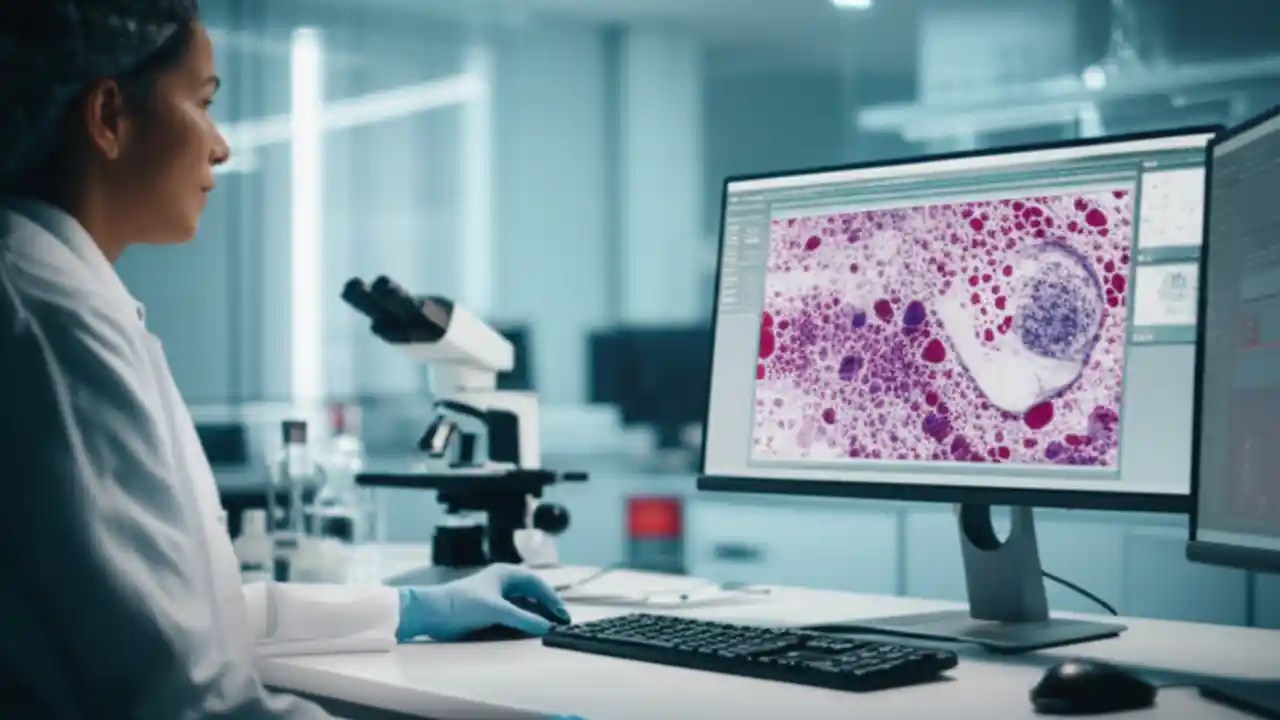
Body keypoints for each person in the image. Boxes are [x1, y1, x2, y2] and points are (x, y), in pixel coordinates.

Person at [0, 2, 568, 716]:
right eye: (203, 103)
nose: (220, 147)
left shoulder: (55, 290)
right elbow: (188, 700)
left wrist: (411, 608)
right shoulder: (55, 322)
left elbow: (181, 616)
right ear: (109, 116)